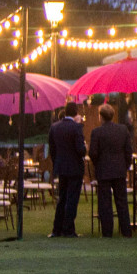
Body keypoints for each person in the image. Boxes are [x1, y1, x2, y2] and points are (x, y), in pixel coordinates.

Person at [88, 102, 135, 237]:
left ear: (100, 117)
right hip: (119, 169)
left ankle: (107, 231)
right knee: (122, 201)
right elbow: (128, 151)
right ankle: (126, 230)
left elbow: (93, 153)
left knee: (105, 202)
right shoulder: (123, 130)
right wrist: (125, 165)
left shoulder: (96, 132)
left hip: (103, 170)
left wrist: (97, 164)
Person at [46, 102, 87, 237]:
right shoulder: (76, 128)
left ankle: (56, 229)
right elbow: (81, 150)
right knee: (72, 198)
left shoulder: (54, 127)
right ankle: (68, 229)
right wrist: (84, 147)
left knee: (62, 197)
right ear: (75, 113)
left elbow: (52, 149)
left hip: (61, 166)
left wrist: (57, 161)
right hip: (75, 167)